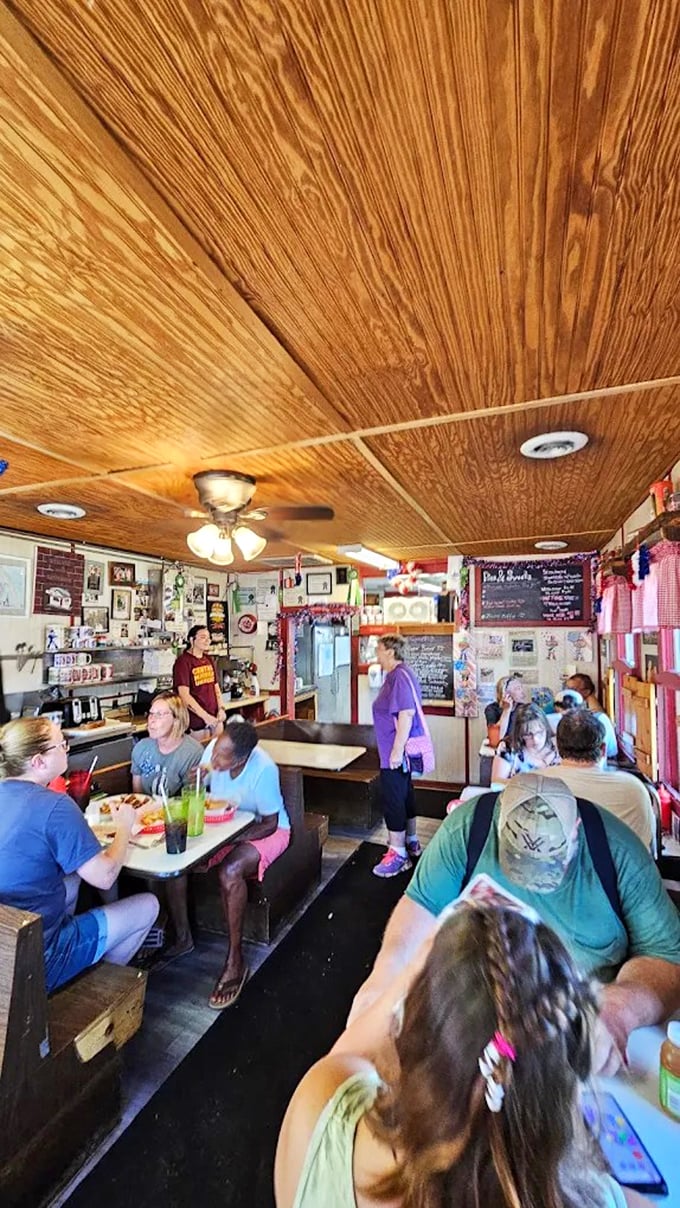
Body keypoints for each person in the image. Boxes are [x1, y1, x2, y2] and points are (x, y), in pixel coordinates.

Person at [276, 899, 651, 1208]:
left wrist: (420, 964)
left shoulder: (320, 1117)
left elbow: (346, 1059)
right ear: (567, 1081)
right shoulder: (606, 1200)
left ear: (413, 1029)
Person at [348, 773, 680, 1077]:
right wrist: (385, 976)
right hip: (476, 1019)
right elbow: (421, 907)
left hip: (579, 1035)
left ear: (575, 832)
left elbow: (666, 956)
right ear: (499, 825)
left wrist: (619, 1009)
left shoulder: (619, 854)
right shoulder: (469, 828)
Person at [0, 718, 158, 993]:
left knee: (73, 880)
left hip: (6, 945)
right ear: (38, 761)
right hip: (37, 960)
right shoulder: (55, 805)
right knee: (149, 905)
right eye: (61, 744)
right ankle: (96, 994)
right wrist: (125, 826)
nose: (67, 749)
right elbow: (105, 876)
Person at [195, 721, 290, 1009]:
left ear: (241, 759)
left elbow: (271, 823)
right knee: (185, 858)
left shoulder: (263, 769)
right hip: (225, 825)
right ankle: (181, 938)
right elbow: (204, 787)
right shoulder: (214, 750)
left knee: (230, 871)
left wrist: (231, 841)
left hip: (267, 831)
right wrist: (198, 779)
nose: (213, 758)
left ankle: (235, 960)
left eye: (221, 756)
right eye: (214, 751)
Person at [542, 708, 657, 852]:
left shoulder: (535, 783)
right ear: (603, 749)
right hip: (618, 873)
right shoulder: (633, 788)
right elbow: (647, 849)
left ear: (558, 748)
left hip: (558, 872)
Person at [371, 635, 427, 878]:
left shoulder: (398, 676)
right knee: (405, 794)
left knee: (394, 798)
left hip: (395, 752)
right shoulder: (400, 674)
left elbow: (406, 714)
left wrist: (395, 751)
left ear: (391, 652)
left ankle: (397, 853)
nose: (377, 654)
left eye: (379, 650)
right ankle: (411, 842)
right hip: (396, 750)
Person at [131, 691, 203, 797]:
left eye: (159, 715)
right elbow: (138, 797)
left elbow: (192, 798)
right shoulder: (141, 747)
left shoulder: (193, 753)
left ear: (176, 719)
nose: (152, 720)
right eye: (151, 713)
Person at [172, 624, 226, 738]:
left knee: (218, 753)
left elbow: (215, 687)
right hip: (196, 721)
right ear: (192, 640)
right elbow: (184, 695)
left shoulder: (208, 659)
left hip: (215, 717)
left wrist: (221, 709)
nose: (207, 640)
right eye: (202, 637)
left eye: (208, 637)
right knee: (199, 753)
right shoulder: (183, 662)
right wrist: (205, 716)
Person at [491, 702, 560, 782]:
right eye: (528, 735)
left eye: (540, 732)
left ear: (546, 728)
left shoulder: (558, 747)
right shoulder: (508, 747)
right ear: (519, 733)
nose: (535, 740)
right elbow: (496, 783)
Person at [478, 675, 525, 786]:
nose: (522, 691)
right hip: (497, 753)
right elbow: (497, 737)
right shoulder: (491, 709)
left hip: (518, 754)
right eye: (517, 688)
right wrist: (506, 711)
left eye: (521, 687)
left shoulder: (524, 709)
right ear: (505, 694)